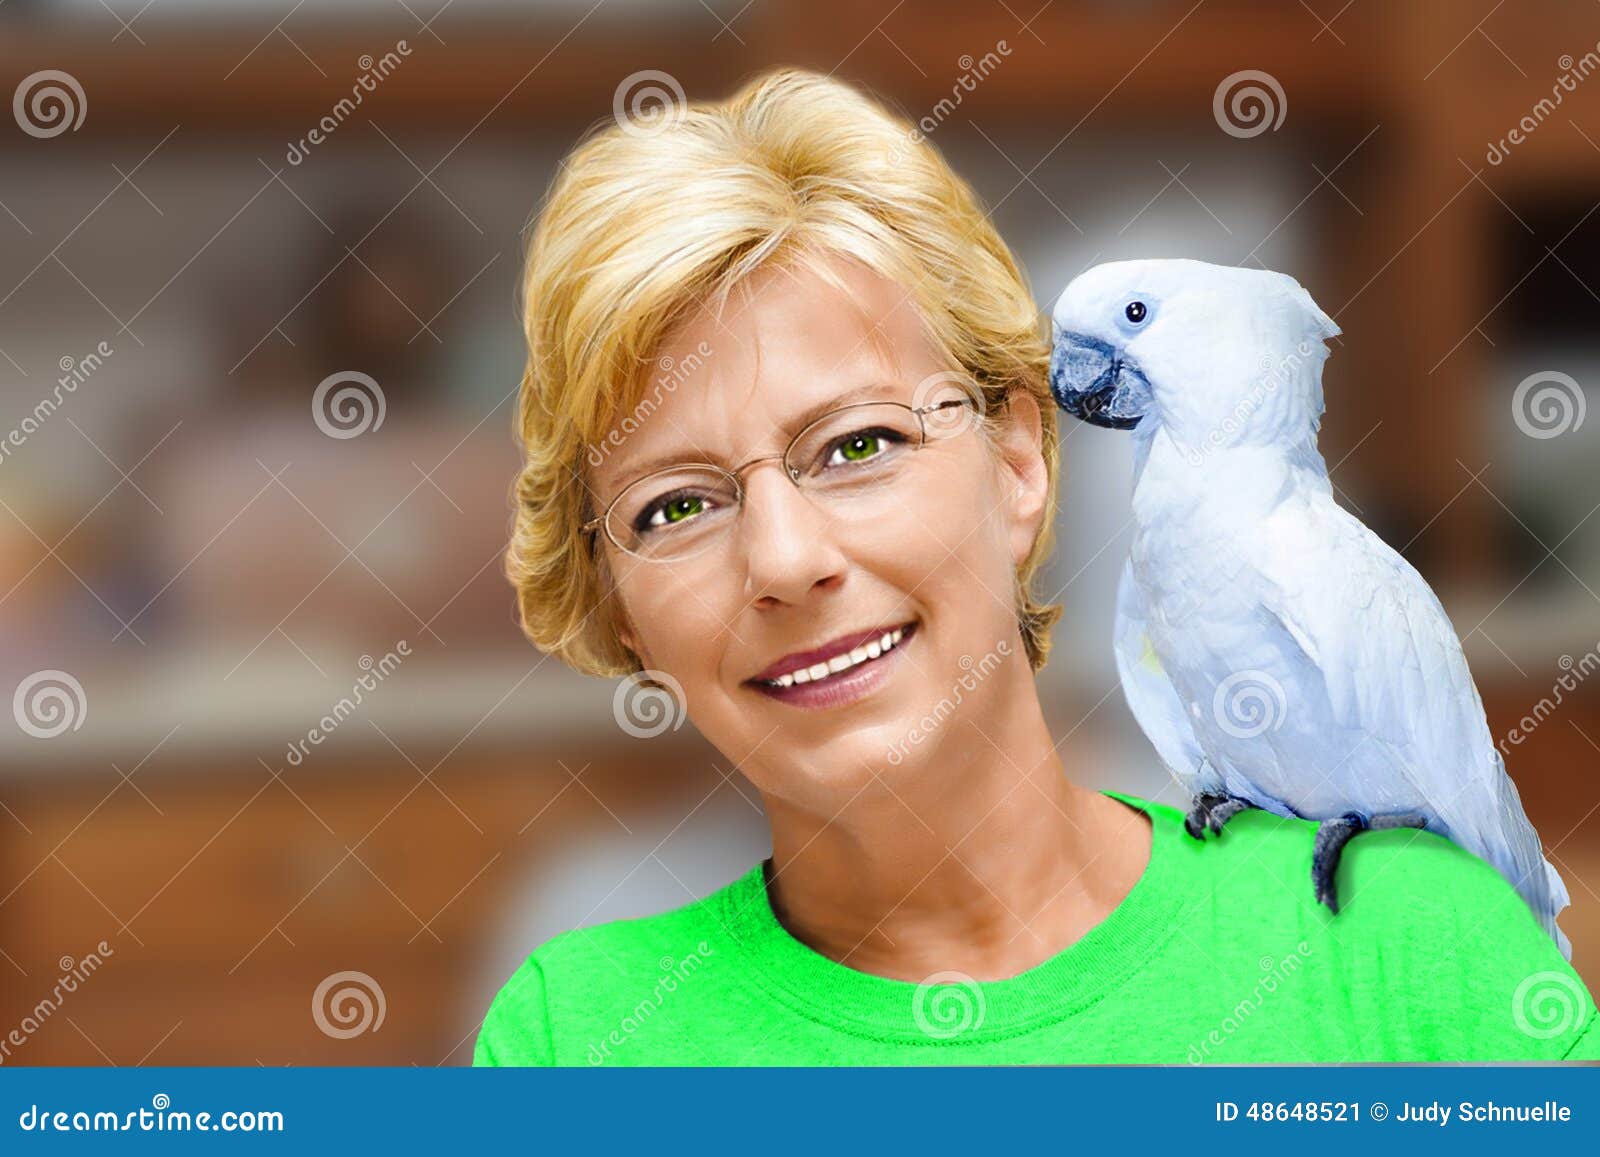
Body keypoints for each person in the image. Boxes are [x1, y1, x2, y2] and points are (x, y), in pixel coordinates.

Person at [474, 67, 1599, 1065]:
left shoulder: (1410, 944)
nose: (782, 557)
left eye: (859, 444)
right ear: (618, 607)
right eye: (675, 505)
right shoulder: (578, 1035)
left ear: (1019, 460)